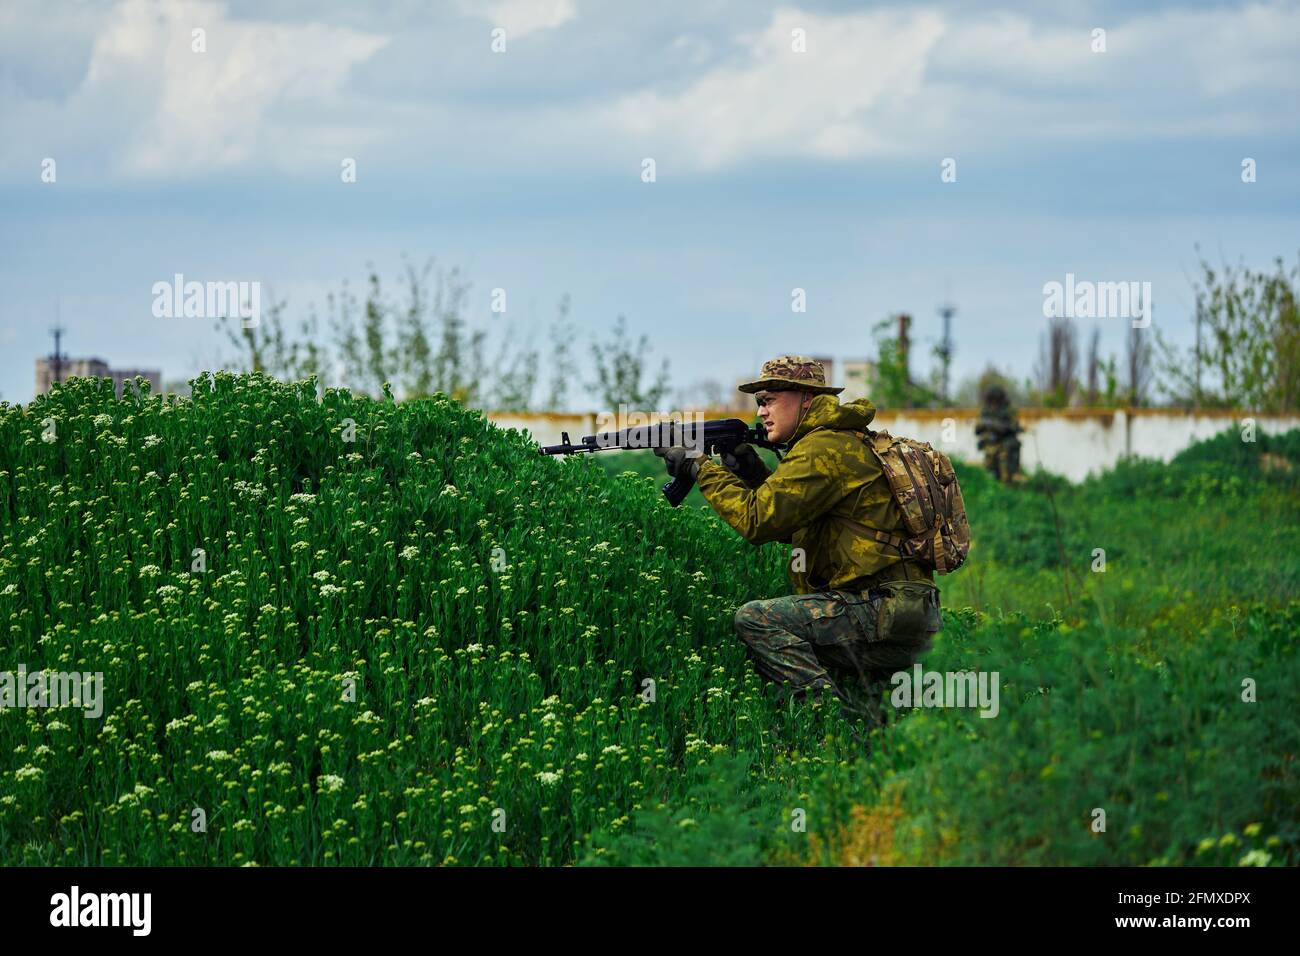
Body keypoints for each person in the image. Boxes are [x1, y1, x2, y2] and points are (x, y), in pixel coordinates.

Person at [655, 355, 941, 727]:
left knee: (757, 620)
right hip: (901, 611)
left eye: (769, 399)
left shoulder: (822, 449)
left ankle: (831, 727)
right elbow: (798, 525)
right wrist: (753, 472)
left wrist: (699, 466)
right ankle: (865, 743)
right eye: (759, 402)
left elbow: (756, 521)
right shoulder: (840, 441)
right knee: (882, 720)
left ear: (806, 399)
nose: (761, 412)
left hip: (882, 611)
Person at [975, 384, 1023, 484]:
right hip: (990, 447)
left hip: (1005, 447)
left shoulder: (1009, 410)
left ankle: (1006, 492)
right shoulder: (986, 411)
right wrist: (985, 426)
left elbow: (1014, 427)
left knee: (1006, 477)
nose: (994, 404)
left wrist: (998, 427)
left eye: (996, 400)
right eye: (991, 400)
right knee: (990, 476)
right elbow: (977, 430)